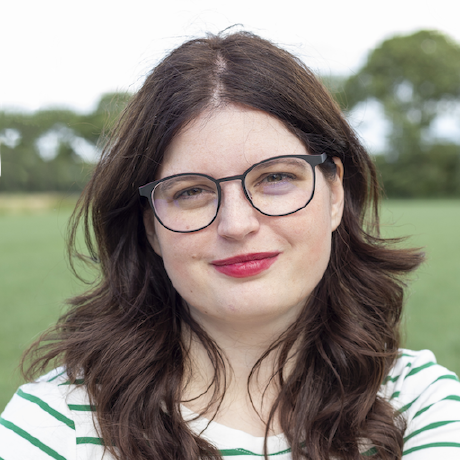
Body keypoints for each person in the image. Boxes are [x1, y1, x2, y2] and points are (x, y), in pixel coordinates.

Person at [0, 31, 459, 460]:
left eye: (277, 177)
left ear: (335, 193)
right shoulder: (53, 425)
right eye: (190, 191)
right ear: (151, 228)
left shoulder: (422, 403)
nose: (236, 225)